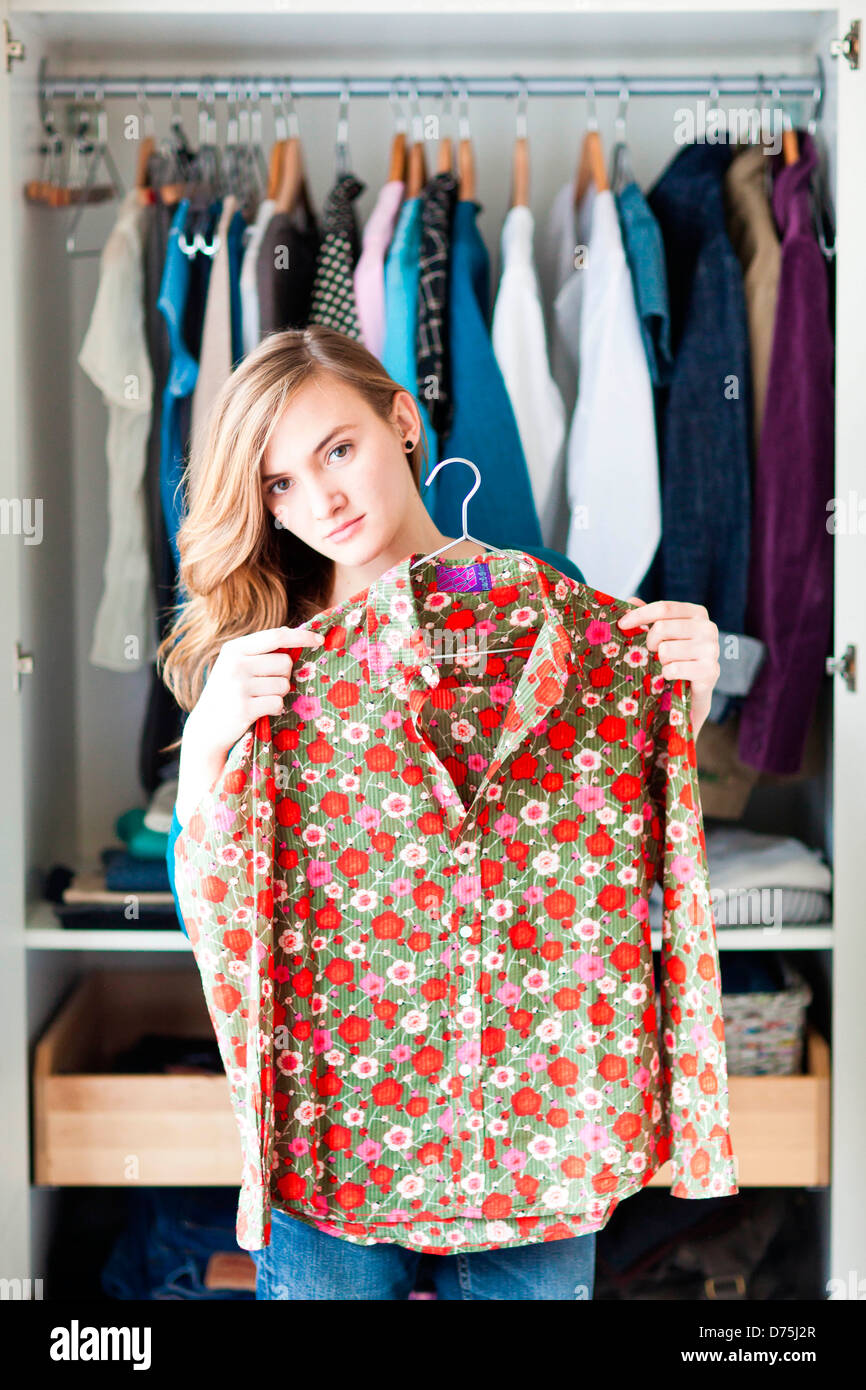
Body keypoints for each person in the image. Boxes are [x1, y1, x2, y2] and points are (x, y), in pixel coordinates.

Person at [158, 325, 721, 1301]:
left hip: (533, 1113)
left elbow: (613, 829)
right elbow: (209, 905)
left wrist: (687, 694)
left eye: (337, 449)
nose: (322, 499)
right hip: (338, 1107)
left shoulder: (552, 612)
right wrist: (208, 742)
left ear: (401, 421)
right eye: (280, 484)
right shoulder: (270, 663)